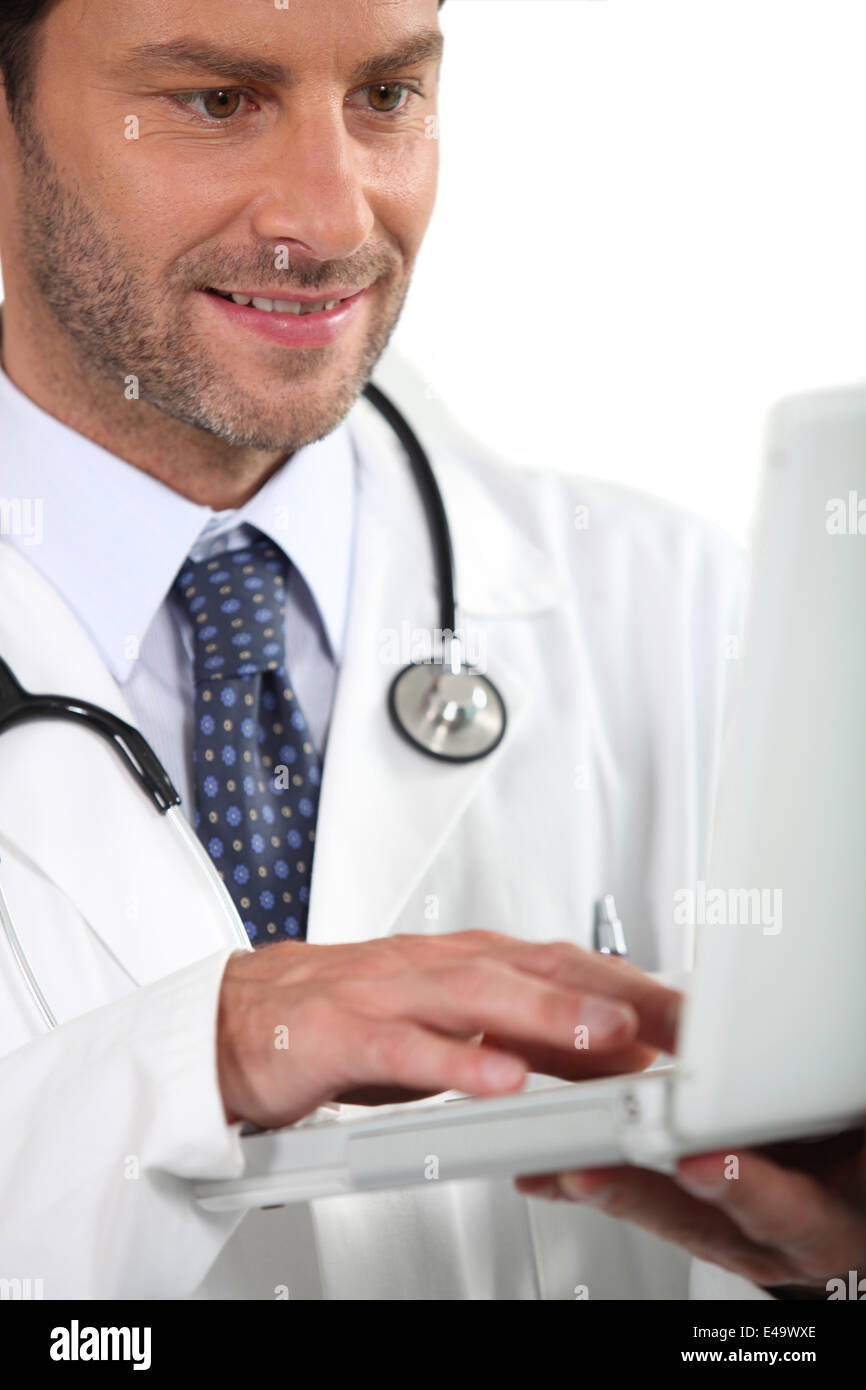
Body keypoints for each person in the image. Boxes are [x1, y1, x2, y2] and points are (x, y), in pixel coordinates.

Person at [0, 0, 857, 1301]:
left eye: (385, 97)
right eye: (218, 101)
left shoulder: (679, 608)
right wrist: (199, 1055)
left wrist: (837, 1278)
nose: (335, 223)